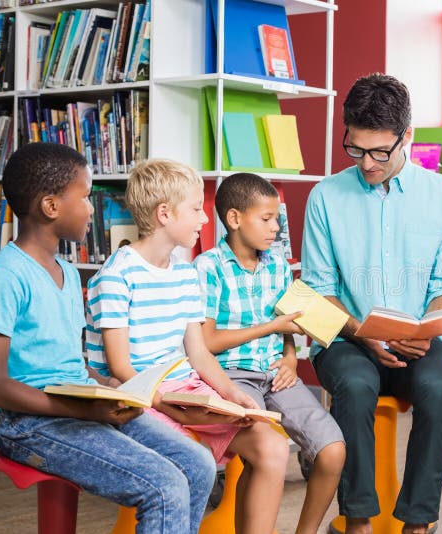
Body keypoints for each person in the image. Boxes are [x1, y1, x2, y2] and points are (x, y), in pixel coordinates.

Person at [0, 144, 217, 533]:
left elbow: (69, 366)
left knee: (198, 464)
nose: (93, 209)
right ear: (50, 206)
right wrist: (85, 410)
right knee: (164, 486)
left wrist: (110, 388)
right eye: (85, 197)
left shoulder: (65, 269)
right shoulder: (6, 274)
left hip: (75, 403)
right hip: (24, 423)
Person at [301, 73, 442, 534]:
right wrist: (365, 333)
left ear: (407, 136)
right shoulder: (325, 197)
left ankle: (418, 524)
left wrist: (427, 325)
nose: (368, 163)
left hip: (417, 339)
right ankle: (358, 523)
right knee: (353, 386)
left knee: (440, 389)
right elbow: (317, 290)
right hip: (346, 336)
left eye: (380, 151)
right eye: (356, 149)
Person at [85, 159, 289, 534]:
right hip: (140, 395)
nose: (204, 219)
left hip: (186, 391)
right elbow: (120, 368)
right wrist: (171, 406)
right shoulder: (117, 275)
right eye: (196, 209)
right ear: (165, 213)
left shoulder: (183, 272)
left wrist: (230, 395)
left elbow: (198, 353)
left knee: (273, 448)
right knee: (195, 462)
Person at [194, 172, 345, 534]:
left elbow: (286, 319)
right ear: (234, 219)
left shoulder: (278, 264)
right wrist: (273, 329)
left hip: (276, 373)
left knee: (333, 450)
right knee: (265, 454)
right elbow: (207, 342)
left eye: (277, 218)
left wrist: (290, 357)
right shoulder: (208, 267)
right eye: (266, 219)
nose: (276, 227)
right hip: (229, 376)